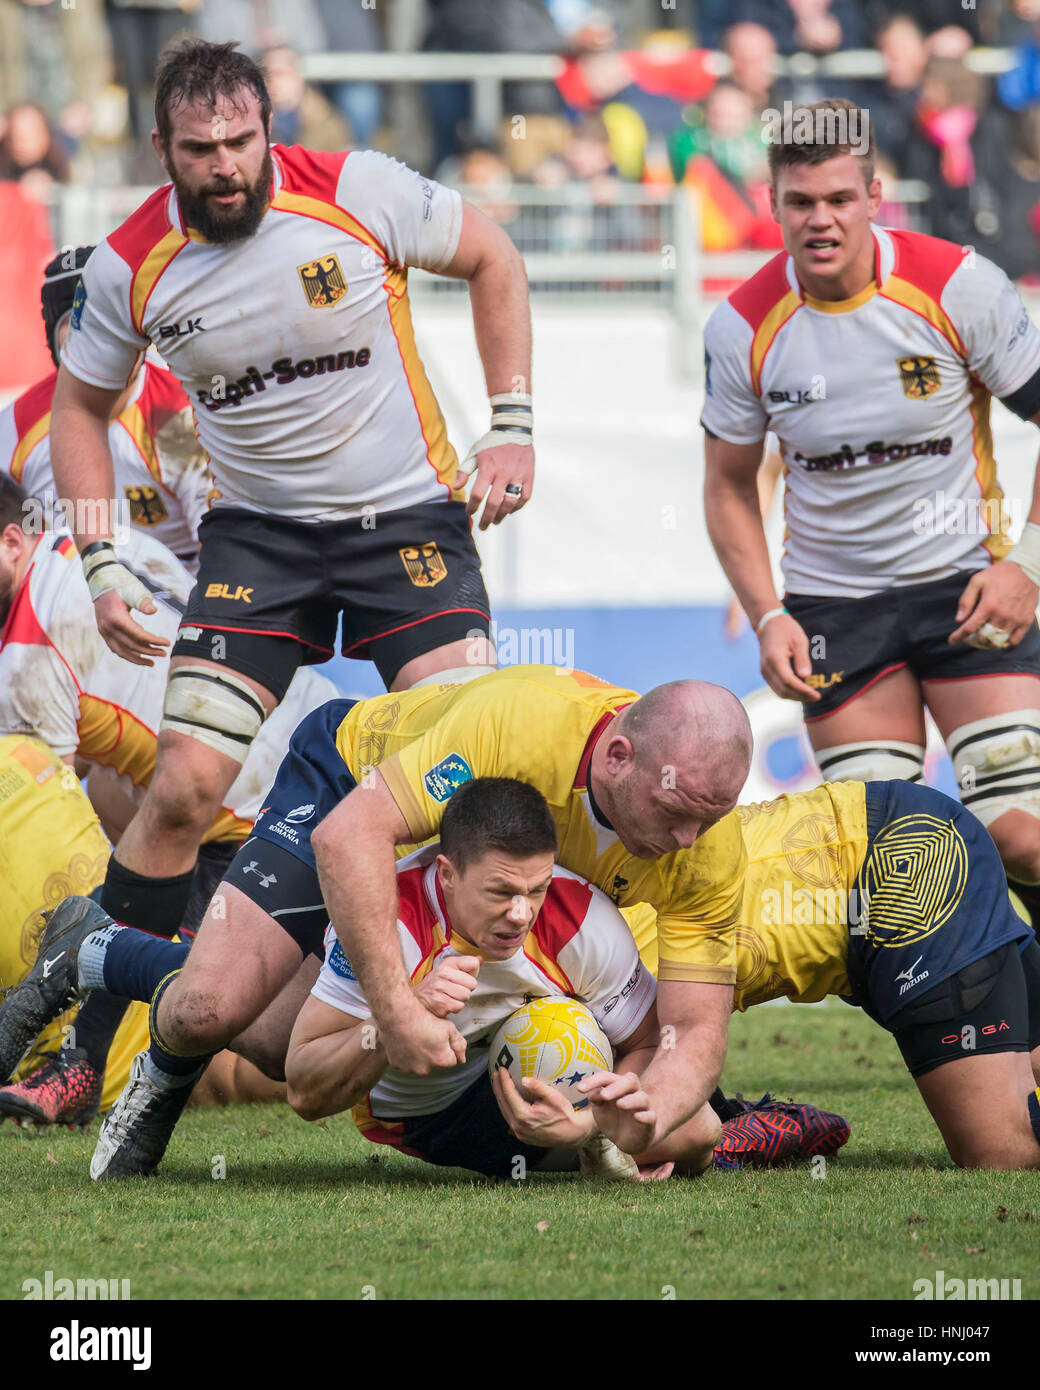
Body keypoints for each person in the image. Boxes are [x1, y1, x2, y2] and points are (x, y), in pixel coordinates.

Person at [50, 39, 534, 981]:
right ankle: (95, 1039)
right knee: (183, 789)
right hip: (259, 541)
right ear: (161, 149)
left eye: (241, 142)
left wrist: (511, 422)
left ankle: (479, 1013)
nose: (225, 167)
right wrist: (101, 560)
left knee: (461, 773)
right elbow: (80, 407)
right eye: (200, 150)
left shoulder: (360, 189)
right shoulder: (128, 265)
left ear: (270, 129)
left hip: (406, 519)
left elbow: (494, 257)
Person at [0, 664, 752, 1180]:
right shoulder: (523, 725)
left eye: (710, 819)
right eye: (676, 813)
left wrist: (625, 1120)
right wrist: (395, 1013)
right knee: (211, 1008)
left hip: (458, 863)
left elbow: (694, 1034)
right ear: (617, 757)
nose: (689, 841)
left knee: (277, 1041)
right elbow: (351, 836)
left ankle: (96, 948)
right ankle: (98, 954)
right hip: (351, 788)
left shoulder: (706, 849)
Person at [701, 96, 1040, 935]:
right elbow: (729, 485)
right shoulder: (741, 325)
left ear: (875, 196)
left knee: (1022, 837)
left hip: (968, 587)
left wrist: (1027, 565)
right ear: (772, 202)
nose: (820, 220)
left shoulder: (957, 285)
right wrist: (767, 612)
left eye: (839, 199)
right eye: (800, 202)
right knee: (897, 867)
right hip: (836, 609)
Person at [0, 472, 338, 1114]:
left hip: (249, 813)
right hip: (305, 733)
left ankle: (77, 1060)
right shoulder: (102, 541)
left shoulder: (28, 654)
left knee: (216, 1025)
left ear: (14, 541)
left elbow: (38, 815)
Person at [285, 776, 719, 1182]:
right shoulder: (388, 924)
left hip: (545, 1082)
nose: (521, 914)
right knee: (692, 1131)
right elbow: (306, 1093)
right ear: (448, 874)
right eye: (500, 892)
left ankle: (596, 1140)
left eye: (536, 889)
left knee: (699, 1131)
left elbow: (647, 1044)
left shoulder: (582, 920)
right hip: (435, 1112)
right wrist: (399, 1015)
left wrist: (590, 1124)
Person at [621, 776, 1040, 1168]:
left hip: (893, 866)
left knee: (1002, 1150)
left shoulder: (612, 976)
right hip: (881, 832)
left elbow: (666, 1130)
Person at [0, 732, 282, 1127]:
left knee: (236, 1054)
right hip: (147, 974)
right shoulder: (28, 751)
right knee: (244, 1053)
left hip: (139, 995)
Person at [0, 247, 212, 574]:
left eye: (107, 321)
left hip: (182, 592)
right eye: (76, 323)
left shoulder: (182, 416)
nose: (97, 339)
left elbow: (223, 548)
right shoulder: (15, 426)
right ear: (53, 341)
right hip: (66, 593)